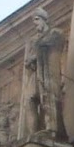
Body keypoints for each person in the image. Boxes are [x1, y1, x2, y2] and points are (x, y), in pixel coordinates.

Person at [22, 8, 65, 139]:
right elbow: (29, 58)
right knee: (29, 99)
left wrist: (36, 54)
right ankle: (33, 133)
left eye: (37, 19)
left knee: (48, 96)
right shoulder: (33, 40)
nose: (35, 24)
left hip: (48, 73)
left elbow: (54, 46)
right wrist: (30, 60)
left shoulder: (55, 33)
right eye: (34, 20)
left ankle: (51, 129)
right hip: (36, 72)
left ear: (44, 19)